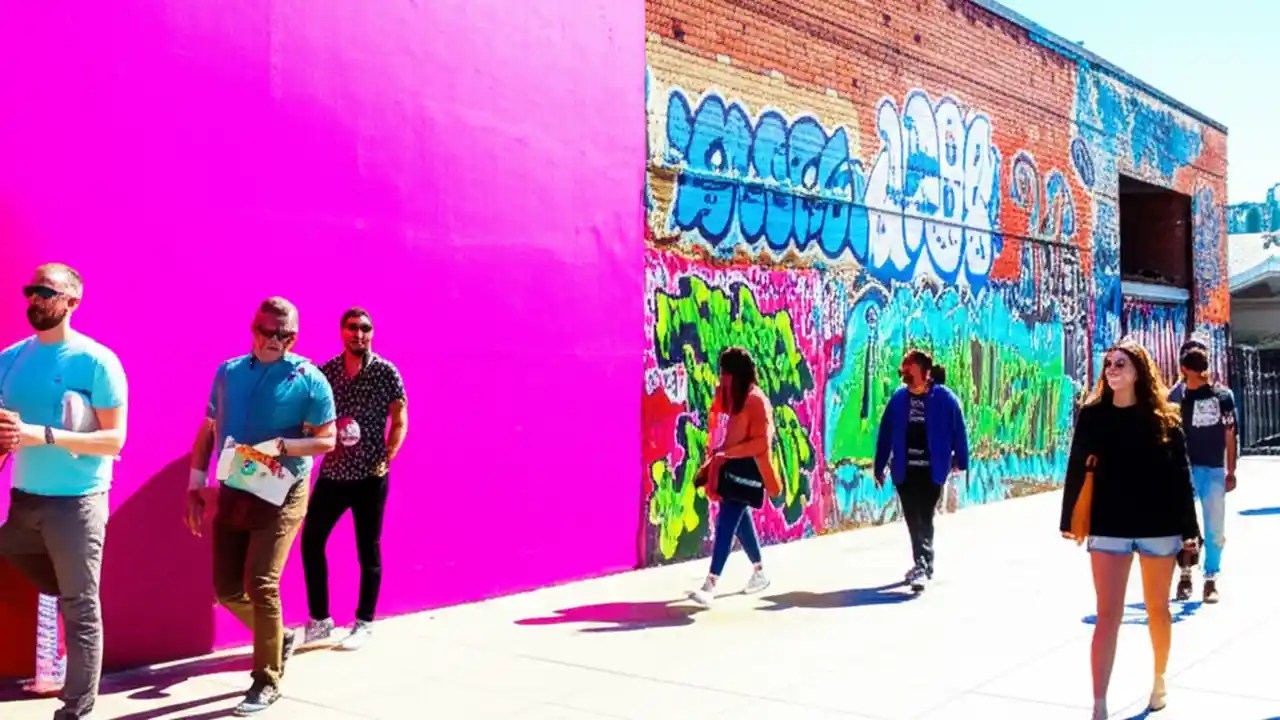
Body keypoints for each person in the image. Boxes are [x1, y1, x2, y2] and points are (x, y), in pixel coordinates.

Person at [185, 297, 337, 716]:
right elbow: (209, 430)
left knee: (261, 584)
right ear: (253, 328)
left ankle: (266, 680)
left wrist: (285, 445)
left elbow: (327, 440)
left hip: (282, 492)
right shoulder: (228, 372)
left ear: (295, 336)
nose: (275, 342)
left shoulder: (310, 379)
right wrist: (196, 483)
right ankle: (278, 637)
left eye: (285, 336)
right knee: (227, 588)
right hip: (236, 486)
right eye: (268, 332)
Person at [0, 263, 128, 720]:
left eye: (45, 292)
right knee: (32, 567)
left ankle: (76, 707)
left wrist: (43, 435)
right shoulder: (10, 359)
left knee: (79, 603)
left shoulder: (96, 362)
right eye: (29, 291)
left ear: (72, 303)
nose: (34, 299)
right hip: (24, 502)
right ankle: (74, 592)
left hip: (78, 504)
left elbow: (115, 441)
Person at [1059, 340, 1199, 719]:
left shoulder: (1165, 418)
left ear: (1138, 370)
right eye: (1108, 363)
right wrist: (1069, 520)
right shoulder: (1092, 416)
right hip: (1109, 524)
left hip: (1159, 527)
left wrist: (1190, 530)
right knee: (1108, 615)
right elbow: (1076, 467)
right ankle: (1099, 704)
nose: (1112, 368)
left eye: (1121, 363)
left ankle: (1159, 678)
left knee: (1158, 610)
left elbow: (1181, 478)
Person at [300, 308, 408, 650]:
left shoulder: (385, 372)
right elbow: (308, 414)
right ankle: (320, 621)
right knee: (311, 541)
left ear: (371, 333)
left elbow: (400, 415)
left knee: (368, 549)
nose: (358, 334)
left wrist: (389, 453)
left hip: (370, 478)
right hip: (334, 473)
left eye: (364, 329)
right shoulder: (327, 372)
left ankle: (364, 622)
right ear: (341, 332)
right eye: (352, 328)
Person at [685, 347, 782, 607]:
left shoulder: (756, 400)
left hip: (749, 468)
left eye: (724, 372)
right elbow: (720, 423)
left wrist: (729, 453)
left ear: (734, 373)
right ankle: (760, 571)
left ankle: (710, 583)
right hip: (730, 464)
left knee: (727, 521)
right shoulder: (734, 397)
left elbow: (761, 442)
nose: (721, 377)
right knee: (740, 520)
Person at [873, 349, 969, 593]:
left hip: (932, 471)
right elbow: (885, 434)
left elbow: (960, 430)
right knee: (912, 518)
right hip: (905, 472)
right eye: (902, 373)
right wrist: (879, 466)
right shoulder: (897, 400)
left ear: (926, 374)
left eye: (910, 373)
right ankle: (924, 563)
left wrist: (961, 460)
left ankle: (922, 564)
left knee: (923, 516)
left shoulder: (946, 400)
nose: (904, 378)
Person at [1170, 346, 1236, 604]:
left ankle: (1211, 578)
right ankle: (1185, 575)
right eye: (1196, 367)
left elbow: (1230, 434)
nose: (1201, 372)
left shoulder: (1223, 397)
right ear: (1186, 370)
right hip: (1184, 470)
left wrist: (1231, 470)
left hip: (1213, 469)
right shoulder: (1177, 396)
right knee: (1182, 527)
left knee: (1214, 527)